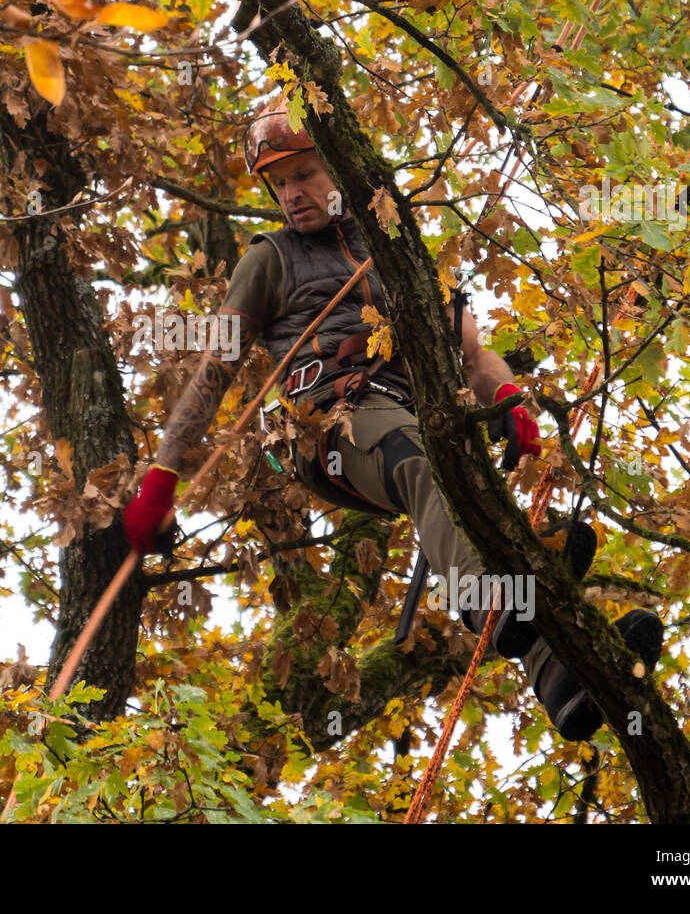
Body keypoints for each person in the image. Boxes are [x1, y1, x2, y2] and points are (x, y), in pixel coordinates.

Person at [123, 101, 662, 741]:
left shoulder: (397, 250)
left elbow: (472, 350)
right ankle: (488, 595)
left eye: (304, 173)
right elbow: (214, 371)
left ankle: (565, 676)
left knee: (491, 518)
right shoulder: (270, 259)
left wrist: (509, 399)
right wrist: (159, 483)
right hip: (332, 422)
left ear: (340, 169)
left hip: (417, 414)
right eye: (280, 182)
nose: (292, 194)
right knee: (422, 464)